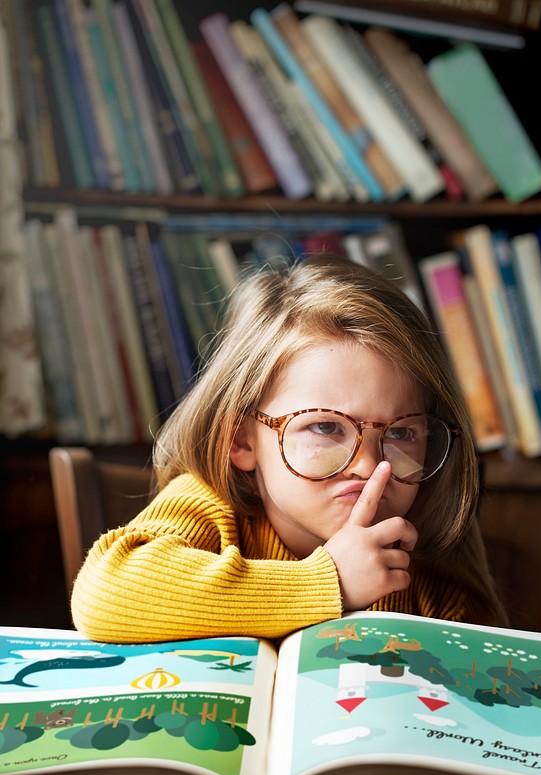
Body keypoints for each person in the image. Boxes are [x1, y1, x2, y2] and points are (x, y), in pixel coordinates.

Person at [71, 254, 509, 643]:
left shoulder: (429, 572)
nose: (370, 466)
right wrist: (327, 584)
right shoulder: (209, 507)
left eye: (401, 434)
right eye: (324, 427)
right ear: (241, 440)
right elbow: (104, 594)